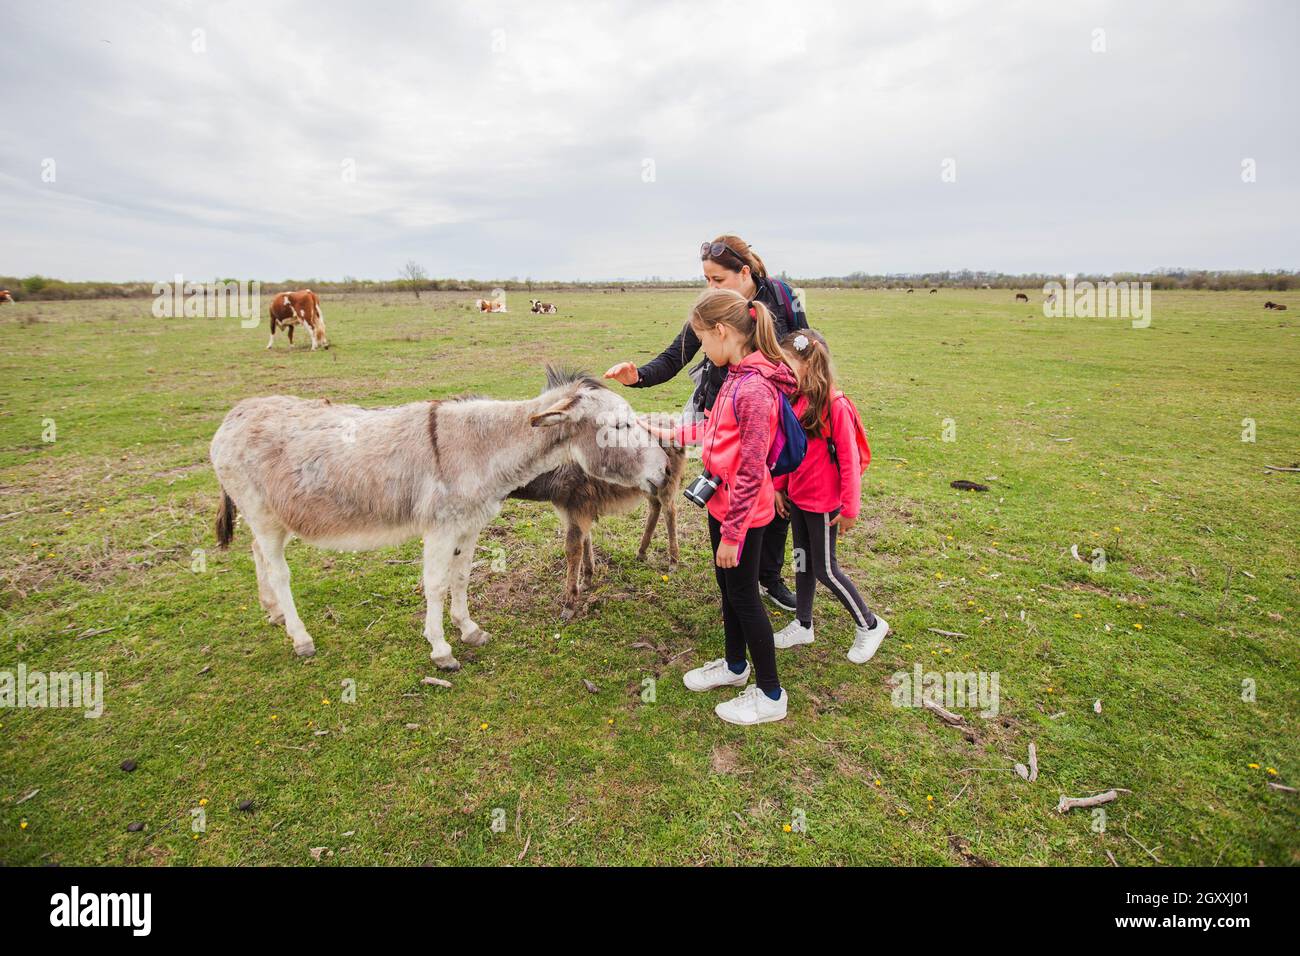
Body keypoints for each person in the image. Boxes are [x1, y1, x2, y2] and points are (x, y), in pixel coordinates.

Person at [604, 234, 806, 611]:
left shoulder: (780, 297)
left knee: (776, 492)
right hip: (720, 409)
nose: (709, 287)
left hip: (771, 411)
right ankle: (734, 575)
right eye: (706, 280)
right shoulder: (712, 308)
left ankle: (769, 577)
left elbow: (803, 347)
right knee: (728, 486)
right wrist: (639, 376)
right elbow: (676, 355)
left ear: (744, 272)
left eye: (717, 279)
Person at [656, 287, 799, 725]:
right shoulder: (735, 375)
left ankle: (771, 694)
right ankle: (735, 667)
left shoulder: (754, 389)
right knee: (728, 590)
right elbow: (715, 433)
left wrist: (735, 534)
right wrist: (662, 430)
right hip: (722, 504)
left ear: (721, 332)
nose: (701, 347)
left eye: (702, 339)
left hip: (744, 513)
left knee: (744, 596)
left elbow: (754, 467)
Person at [771, 329, 889, 664]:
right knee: (801, 562)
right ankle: (803, 623)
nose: (783, 369)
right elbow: (788, 449)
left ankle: (870, 624)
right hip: (798, 498)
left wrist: (850, 507)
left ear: (809, 364)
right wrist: (779, 486)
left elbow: (850, 461)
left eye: (789, 363)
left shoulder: (835, 405)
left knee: (825, 568)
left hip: (824, 505)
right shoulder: (797, 400)